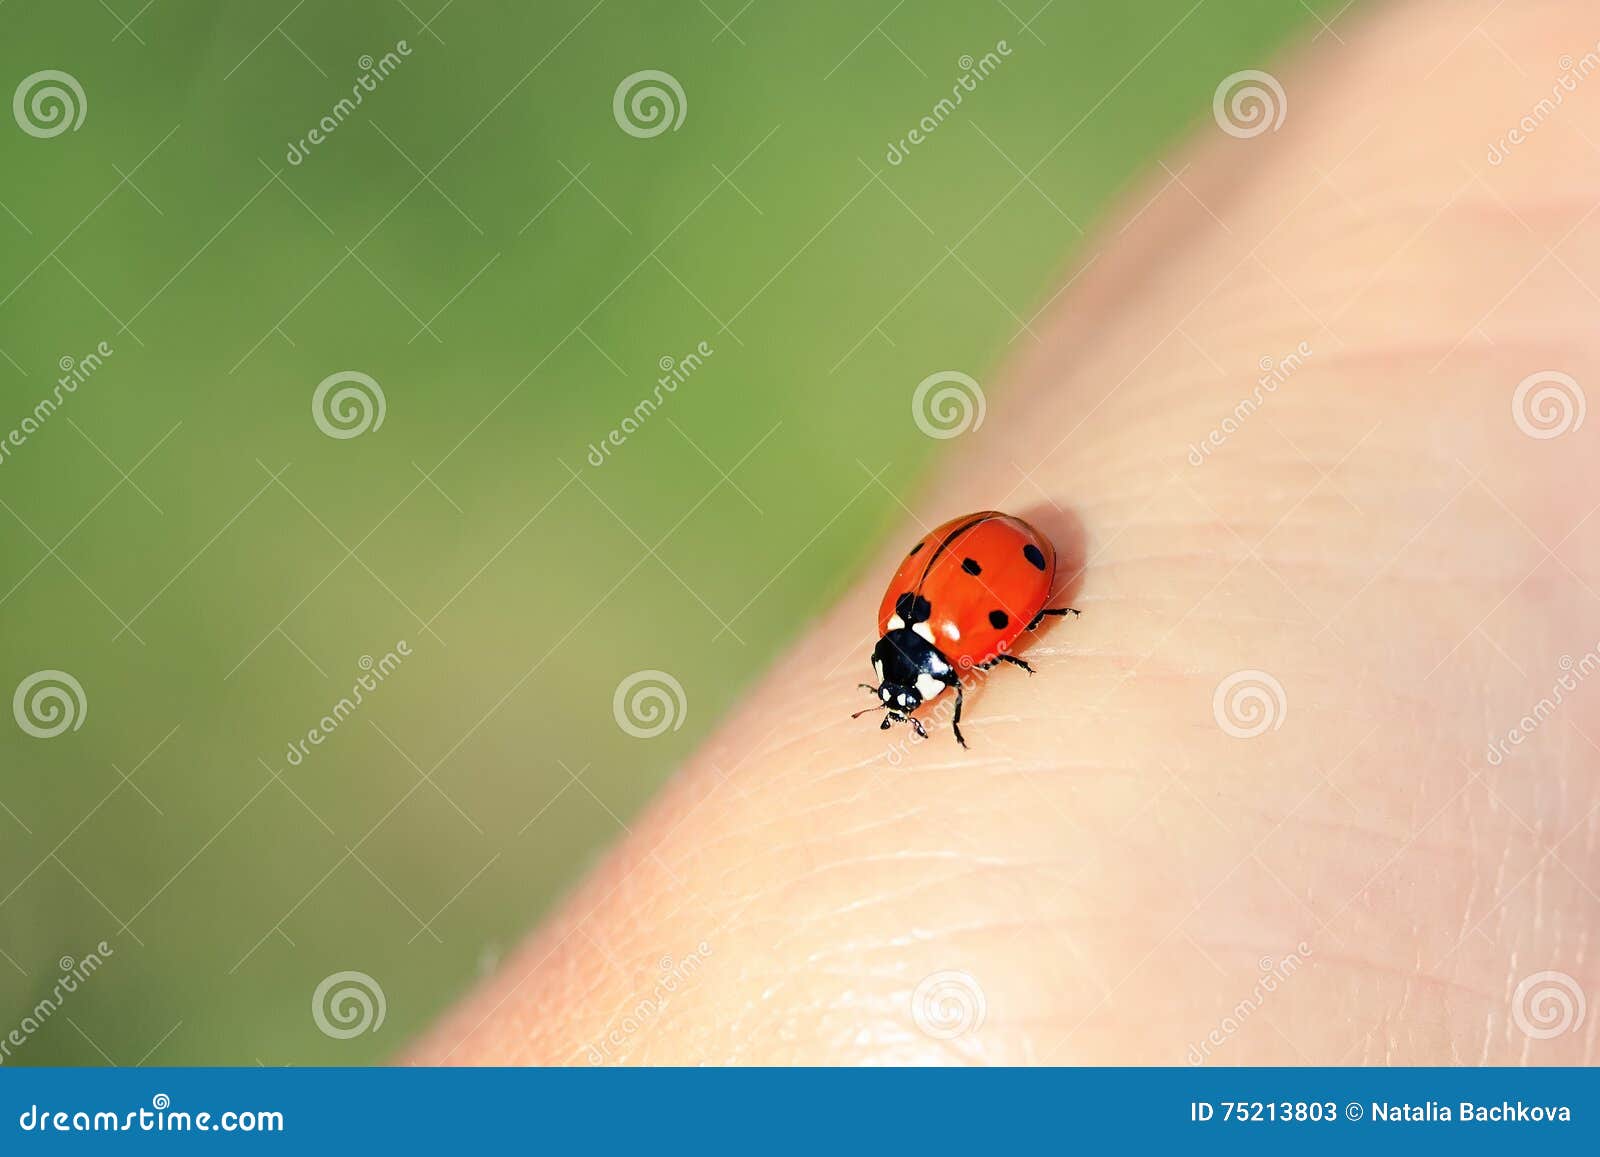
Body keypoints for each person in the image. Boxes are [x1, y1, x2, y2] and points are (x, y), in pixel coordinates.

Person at [411, 0, 1600, 1064]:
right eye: (915, 694)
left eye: (915, 692)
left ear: (926, 668)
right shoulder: (932, 636)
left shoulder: (953, 644)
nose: (918, 698)